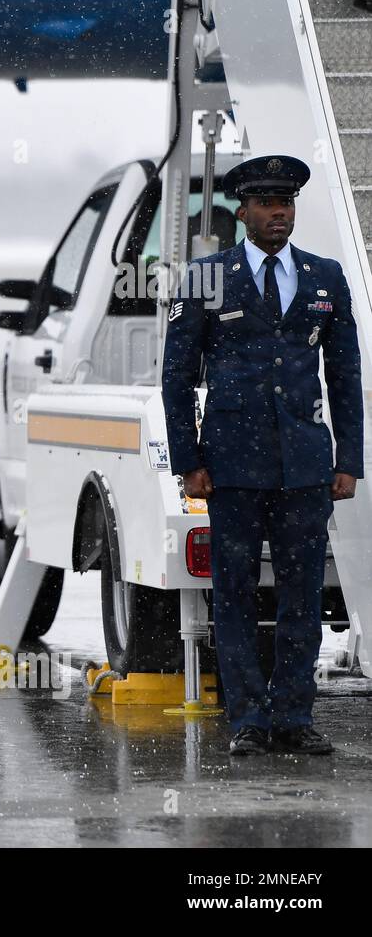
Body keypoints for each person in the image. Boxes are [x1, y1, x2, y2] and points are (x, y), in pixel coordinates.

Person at [162, 154, 363, 756]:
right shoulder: (206, 278)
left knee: (302, 593)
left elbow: (345, 374)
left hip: (303, 463)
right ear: (242, 211)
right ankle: (247, 716)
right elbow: (176, 375)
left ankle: (295, 716)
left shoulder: (324, 276)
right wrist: (188, 461)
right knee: (234, 590)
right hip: (232, 463)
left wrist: (348, 459)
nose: (280, 213)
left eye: (288, 203)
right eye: (268, 204)